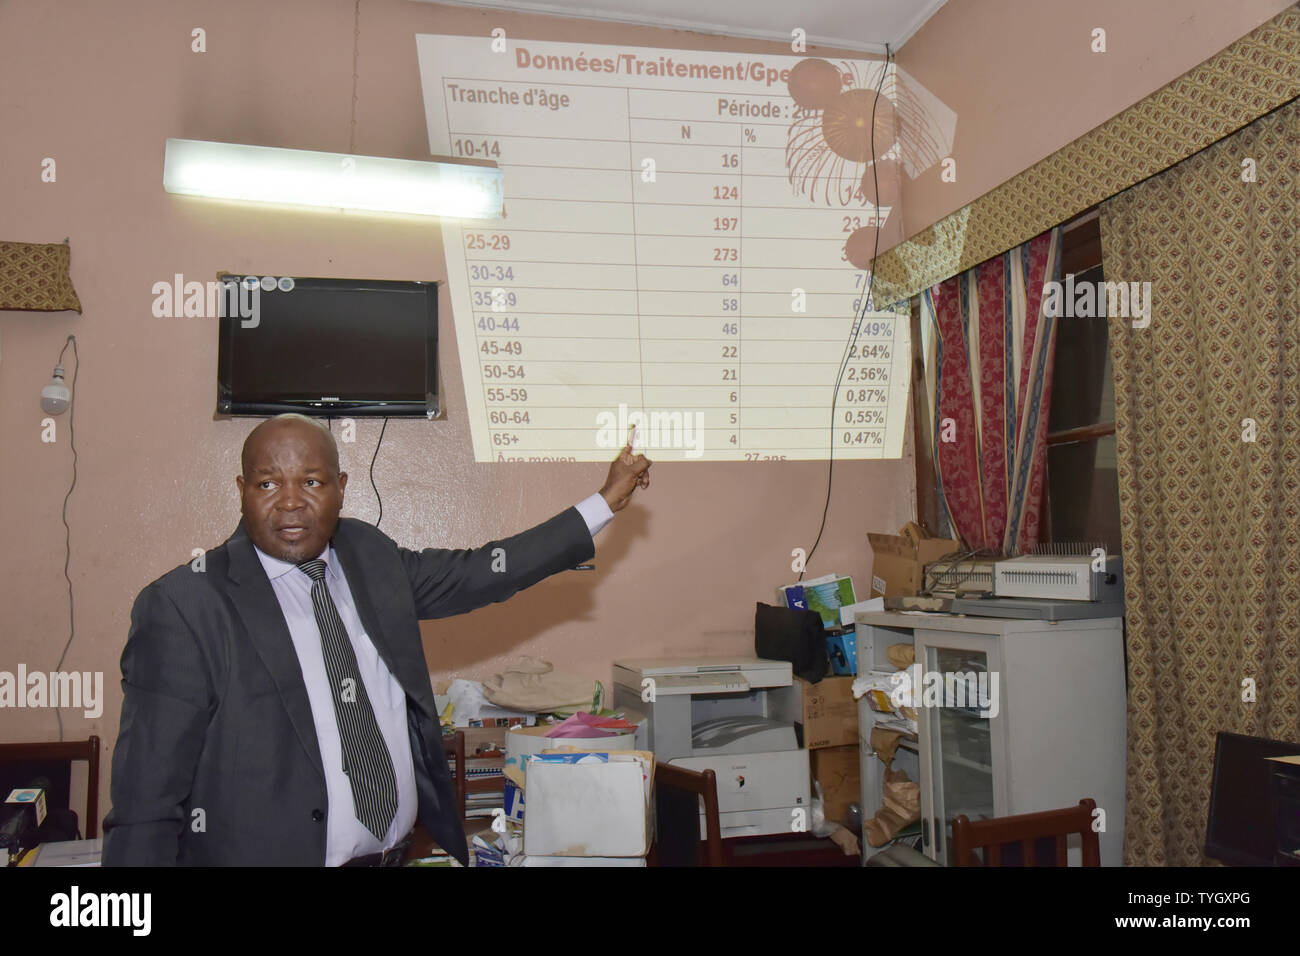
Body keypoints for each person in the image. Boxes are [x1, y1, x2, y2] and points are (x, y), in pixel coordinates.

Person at [102, 413, 651, 866]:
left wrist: (604, 502)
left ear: (341, 490)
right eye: (268, 483)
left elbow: (486, 570)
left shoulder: (371, 559)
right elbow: (146, 804)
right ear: (242, 490)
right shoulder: (185, 604)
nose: (290, 502)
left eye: (312, 482)